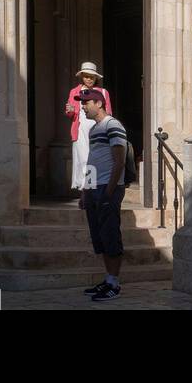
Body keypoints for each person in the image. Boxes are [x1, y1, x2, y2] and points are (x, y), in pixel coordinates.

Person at [78, 86, 129, 300]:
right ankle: (108, 278)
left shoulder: (112, 125)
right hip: (94, 188)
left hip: (108, 188)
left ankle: (114, 284)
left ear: (99, 103)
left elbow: (119, 160)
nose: (83, 108)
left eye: (86, 103)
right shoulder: (93, 129)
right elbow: (91, 161)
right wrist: (85, 191)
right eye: (82, 104)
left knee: (110, 235)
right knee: (99, 236)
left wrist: (109, 189)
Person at [65, 62, 112, 192]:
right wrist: (70, 110)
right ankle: (85, 188)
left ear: (96, 78)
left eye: (91, 76)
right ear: (82, 77)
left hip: (98, 127)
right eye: (86, 76)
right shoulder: (75, 92)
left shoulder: (103, 92)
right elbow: (71, 114)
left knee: (95, 157)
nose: (89, 79)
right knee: (82, 157)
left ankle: (92, 186)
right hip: (80, 128)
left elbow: (108, 112)